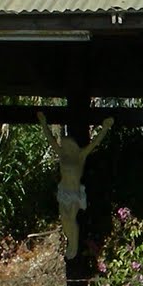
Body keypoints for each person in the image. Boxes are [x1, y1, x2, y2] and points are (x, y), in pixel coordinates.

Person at [38, 111, 114, 259]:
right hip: (64, 192)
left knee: (71, 218)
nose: (64, 147)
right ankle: (70, 241)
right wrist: (43, 123)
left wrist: (104, 128)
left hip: (74, 193)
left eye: (67, 145)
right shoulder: (62, 156)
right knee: (65, 220)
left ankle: (73, 244)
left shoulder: (80, 156)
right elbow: (51, 140)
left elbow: (94, 143)